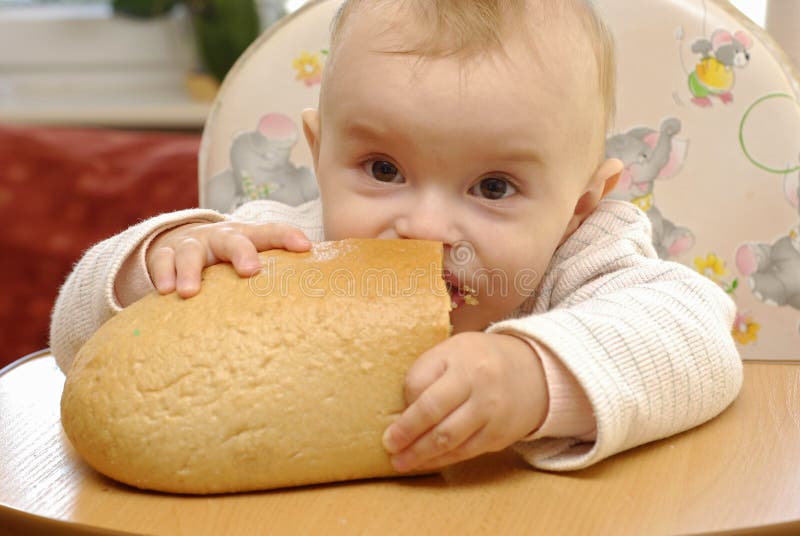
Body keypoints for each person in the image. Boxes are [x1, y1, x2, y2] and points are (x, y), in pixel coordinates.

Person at [50, 0, 742, 474]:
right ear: (320, 158)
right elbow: (78, 348)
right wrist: (158, 264)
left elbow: (698, 336)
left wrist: (536, 378)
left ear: (579, 204)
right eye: (383, 170)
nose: (425, 227)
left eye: (493, 187)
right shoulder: (286, 243)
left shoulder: (582, 259)